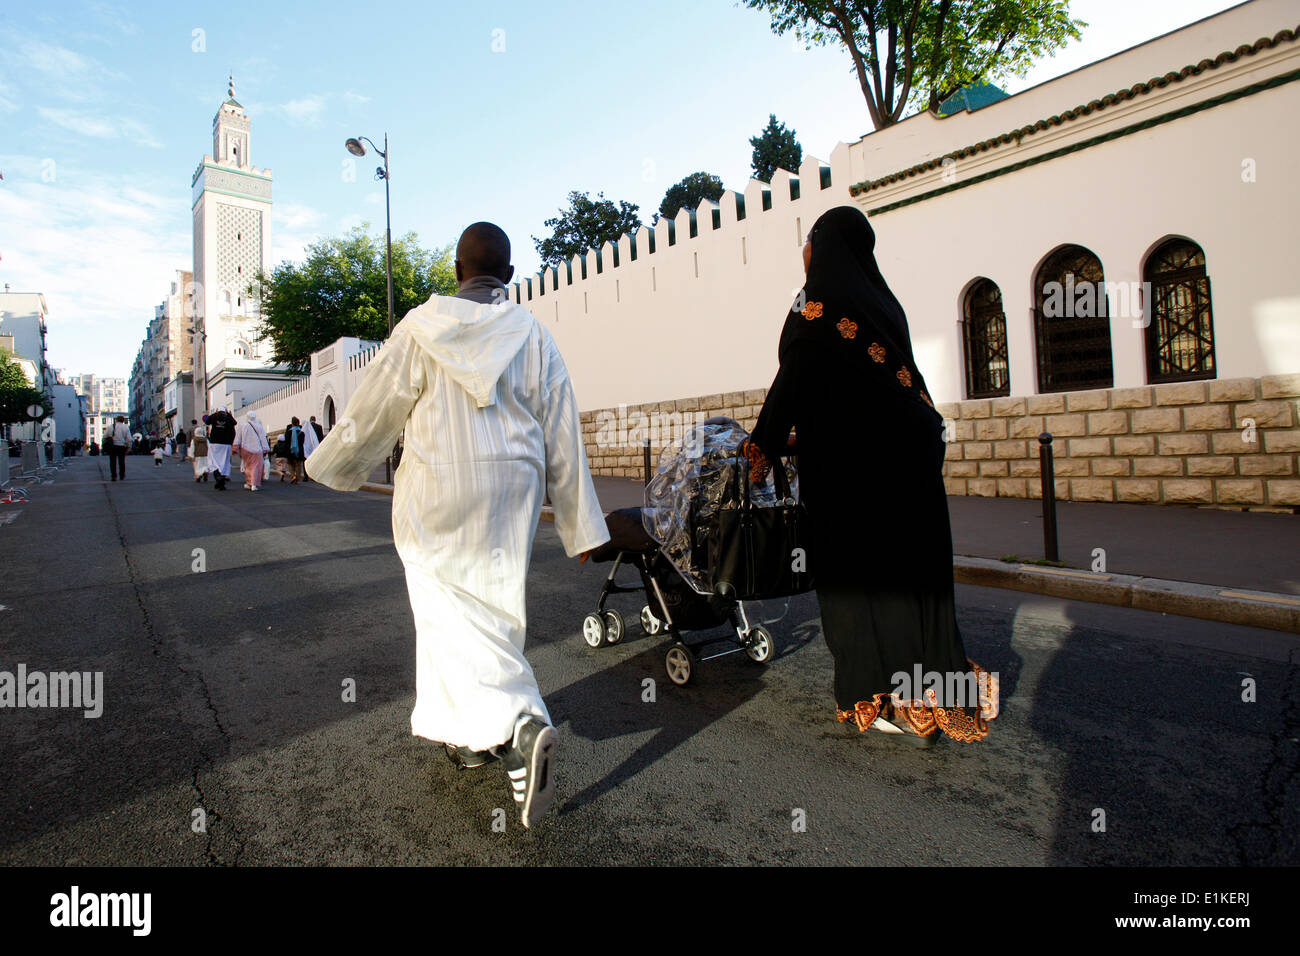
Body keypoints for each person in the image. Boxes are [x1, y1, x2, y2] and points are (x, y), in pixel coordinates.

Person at [307, 221, 608, 828]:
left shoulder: (419, 328)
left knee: (445, 610)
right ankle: (472, 735)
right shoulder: (535, 335)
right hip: (514, 487)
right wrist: (581, 525)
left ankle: (521, 725)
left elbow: (371, 414)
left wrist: (332, 464)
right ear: (511, 275)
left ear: (454, 271)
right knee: (494, 609)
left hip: (437, 488)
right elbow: (562, 434)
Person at [744, 205, 997, 747]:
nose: (804, 253)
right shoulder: (885, 303)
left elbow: (796, 379)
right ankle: (933, 696)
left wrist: (761, 445)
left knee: (854, 578)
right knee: (915, 573)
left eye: (808, 242)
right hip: (912, 455)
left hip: (852, 469)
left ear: (821, 246)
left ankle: (875, 693)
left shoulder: (815, 303)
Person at [233, 411, 270, 491]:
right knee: (256, 467)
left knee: (248, 466)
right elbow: (263, 438)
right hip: (257, 450)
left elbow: (238, 437)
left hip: (245, 449)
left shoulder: (242, 426)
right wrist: (266, 449)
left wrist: (235, 447)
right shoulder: (259, 426)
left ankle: (249, 482)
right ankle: (253, 484)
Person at [206, 407, 236, 490]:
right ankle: (222, 480)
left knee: (214, 461)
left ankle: (217, 477)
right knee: (225, 463)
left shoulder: (214, 416)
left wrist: (215, 414)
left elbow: (207, 421)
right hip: (226, 444)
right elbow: (234, 423)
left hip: (214, 443)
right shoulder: (228, 417)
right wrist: (229, 415)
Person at [106, 417, 131, 481]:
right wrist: (129, 447)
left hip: (113, 446)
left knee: (112, 461)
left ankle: (113, 476)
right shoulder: (126, 427)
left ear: (116, 420)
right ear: (123, 421)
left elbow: (105, 436)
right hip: (122, 446)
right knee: (122, 461)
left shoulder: (110, 427)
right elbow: (129, 438)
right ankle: (122, 475)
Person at [282, 418, 305, 484]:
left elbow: (286, 442)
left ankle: (293, 476)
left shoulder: (288, 432)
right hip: (299, 451)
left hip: (290, 451)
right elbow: (302, 442)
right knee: (298, 465)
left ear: (292, 423)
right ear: (298, 423)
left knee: (290, 464)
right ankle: (297, 480)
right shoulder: (301, 432)